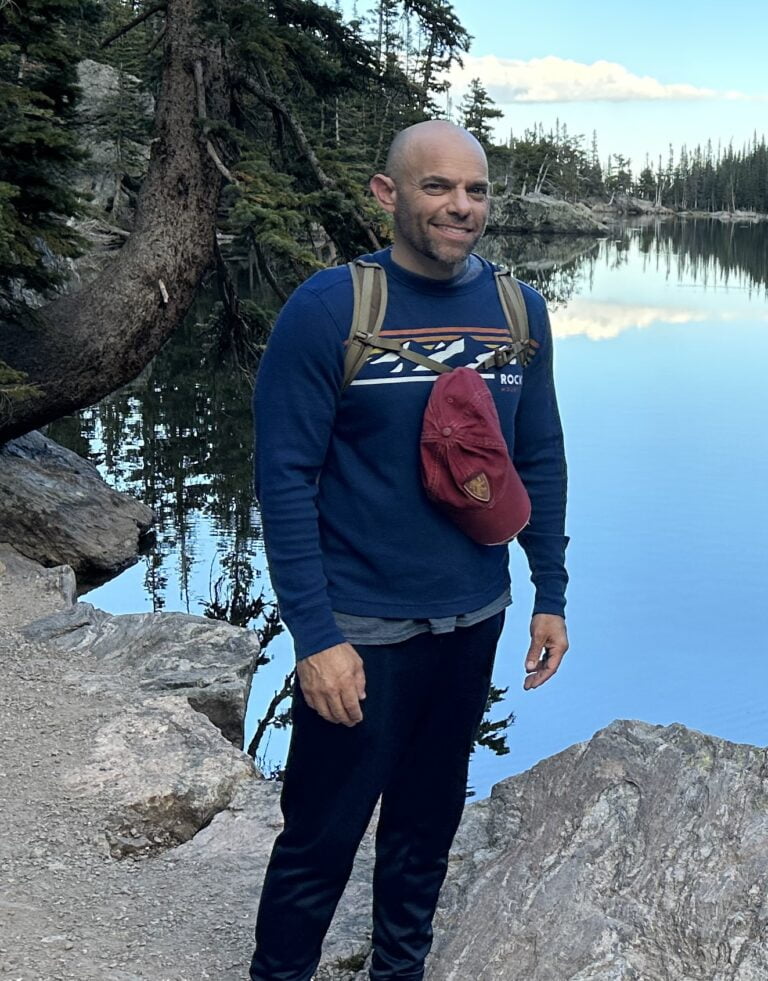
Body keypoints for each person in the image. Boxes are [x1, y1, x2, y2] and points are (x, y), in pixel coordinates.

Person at [250, 119, 569, 981]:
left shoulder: (516, 311)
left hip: (473, 617)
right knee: (320, 838)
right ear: (387, 195)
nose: (460, 206)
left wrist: (550, 590)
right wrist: (316, 638)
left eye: (475, 190)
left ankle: (401, 971)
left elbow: (534, 455)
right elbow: (284, 481)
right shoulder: (330, 311)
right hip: (361, 628)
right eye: (437, 187)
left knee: (425, 829)